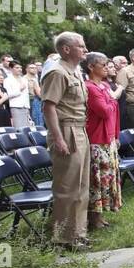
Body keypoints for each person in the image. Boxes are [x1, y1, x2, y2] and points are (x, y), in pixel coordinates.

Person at [41, 32, 90, 248]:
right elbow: (48, 107)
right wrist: (58, 138)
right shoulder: (57, 72)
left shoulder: (75, 71)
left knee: (81, 186)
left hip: (80, 128)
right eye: (80, 46)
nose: (85, 49)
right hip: (65, 129)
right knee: (67, 187)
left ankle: (78, 233)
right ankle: (62, 237)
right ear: (66, 49)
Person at [83, 52, 122, 232]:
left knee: (108, 178)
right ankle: (93, 217)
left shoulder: (105, 85)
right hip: (97, 139)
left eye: (108, 64)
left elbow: (113, 112)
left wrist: (116, 135)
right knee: (97, 180)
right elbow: (104, 111)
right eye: (103, 65)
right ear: (91, 67)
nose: (107, 68)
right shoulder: (90, 87)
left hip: (109, 138)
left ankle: (102, 214)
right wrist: (113, 98)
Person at [4, 60, 30, 128]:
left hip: (25, 106)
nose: (19, 69)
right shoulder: (7, 80)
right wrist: (19, 89)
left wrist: (27, 106)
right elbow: (8, 94)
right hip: (15, 106)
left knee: (27, 128)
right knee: (18, 128)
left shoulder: (24, 79)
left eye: (20, 68)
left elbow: (26, 94)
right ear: (11, 68)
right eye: (17, 68)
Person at [26, 62, 44, 128]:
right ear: (27, 69)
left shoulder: (37, 78)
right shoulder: (24, 78)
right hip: (32, 101)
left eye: (35, 68)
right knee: (36, 121)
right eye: (31, 68)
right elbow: (39, 93)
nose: (34, 69)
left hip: (38, 101)